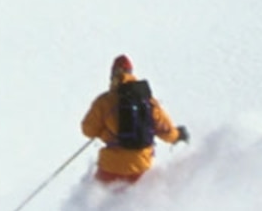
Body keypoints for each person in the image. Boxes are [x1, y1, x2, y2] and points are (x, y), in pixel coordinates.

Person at [80, 53, 189, 185]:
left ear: (112, 75)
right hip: (140, 168)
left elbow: (88, 130)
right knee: (139, 204)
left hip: (110, 167)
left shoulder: (104, 101)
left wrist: (104, 131)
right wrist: (178, 135)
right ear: (131, 72)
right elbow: (165, 131)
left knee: (96, 203)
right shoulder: (147, 100)